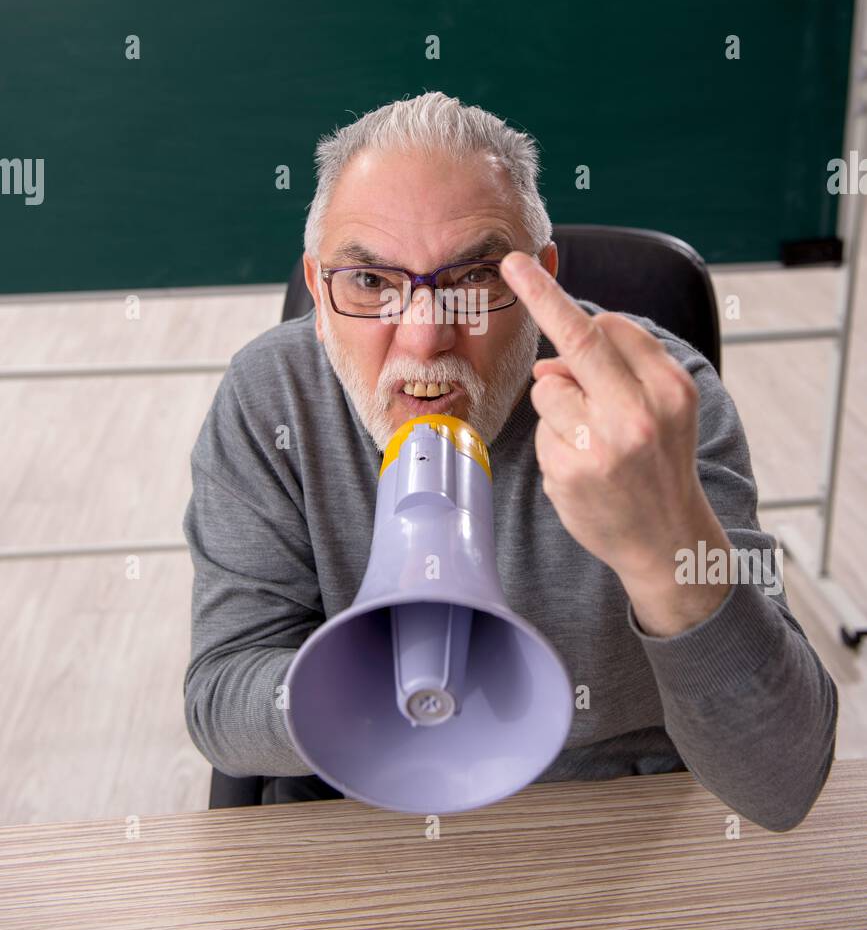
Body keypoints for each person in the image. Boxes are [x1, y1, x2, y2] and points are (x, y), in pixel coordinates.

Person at [183, 91, 837, 827]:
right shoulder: (271, 397)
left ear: (542, 281)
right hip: (367, 818)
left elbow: (781, 783)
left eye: (474, 279)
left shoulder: (656, 401)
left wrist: (666, 547)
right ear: (317, 289)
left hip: (617, 816)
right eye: (370, 282)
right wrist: (373, 685)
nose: (424, 338)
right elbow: (220, 699)